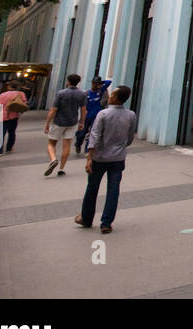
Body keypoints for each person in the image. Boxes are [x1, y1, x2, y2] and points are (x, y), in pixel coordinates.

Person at [74, 85, 137, 234]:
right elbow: (129, 138)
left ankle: (87, 218)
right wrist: (120, 147)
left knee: (92, 188)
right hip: (118, 158)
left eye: (112, 93)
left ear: (115, 97)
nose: (109, 95)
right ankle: (106, 223)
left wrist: (89, 157)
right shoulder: (131, 115)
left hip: (100, 158)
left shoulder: (103, 114)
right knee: (113, 189)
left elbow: (94, 136)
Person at [44, 74, 87, 177]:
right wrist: (82, 122)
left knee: (51, 143)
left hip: (59, 121)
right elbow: (84, 110)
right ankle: (61, 168)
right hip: (72, 122)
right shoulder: (82, 94)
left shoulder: (61, 93)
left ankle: (53, 159)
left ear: (68, 81)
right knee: (67, 145)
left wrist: (47, 123)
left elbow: (54, 109)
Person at [75, 77, 111, 153]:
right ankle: (78, 144)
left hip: (96, 116)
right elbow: (83, 107)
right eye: (93, 83)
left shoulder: (100, 91)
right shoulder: (87, 93)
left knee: (92, 133)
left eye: (96, 84)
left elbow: (109, 82)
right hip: (87, 116)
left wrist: (101, 83)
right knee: (82, 133)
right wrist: (82, 119)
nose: (94, 85)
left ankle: (87, 150)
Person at [0, 81, 28, 154]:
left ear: (9, 87)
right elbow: (24, 104)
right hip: (14, 116)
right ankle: (9, 148)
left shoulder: (2, 95)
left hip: (2, 116)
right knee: (12, 132)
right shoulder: (21, 94)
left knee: (1, 134)